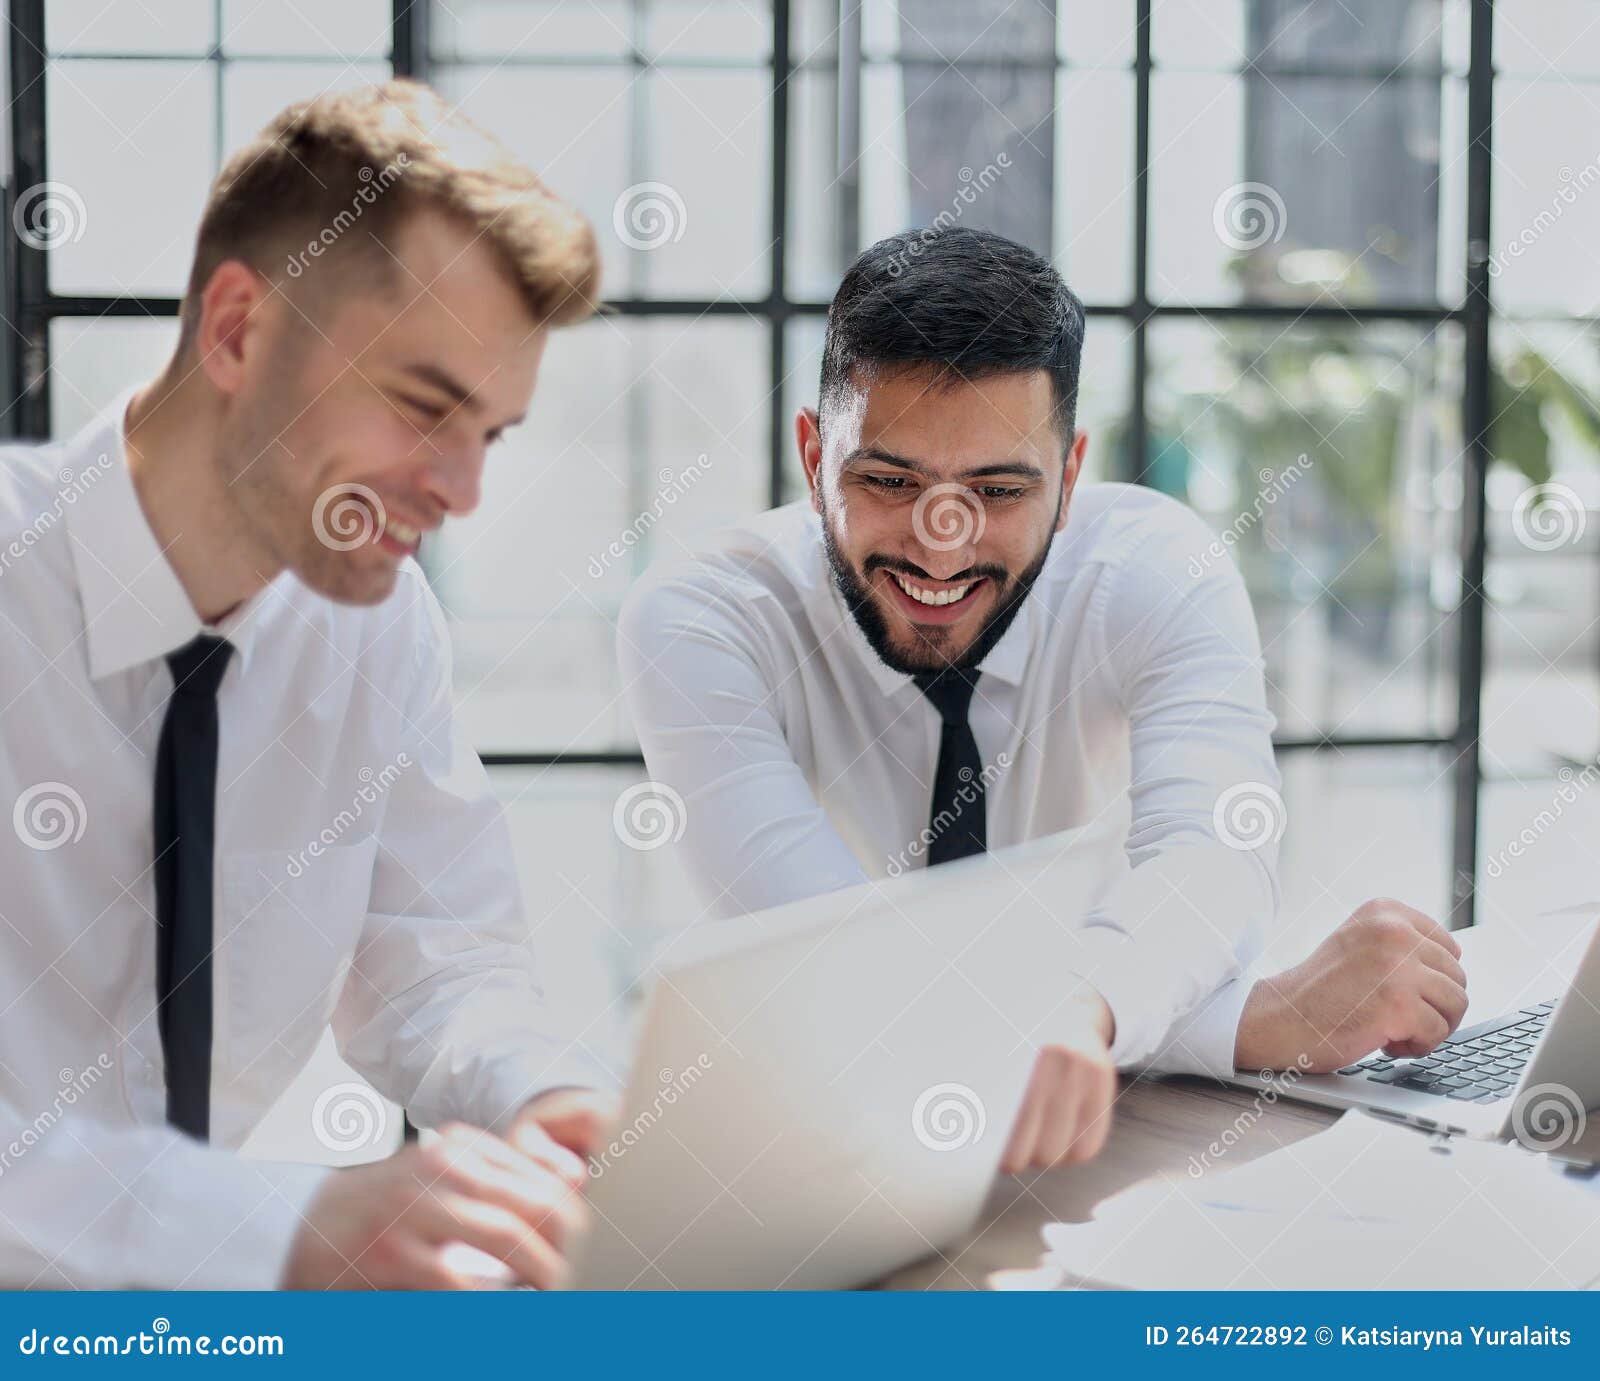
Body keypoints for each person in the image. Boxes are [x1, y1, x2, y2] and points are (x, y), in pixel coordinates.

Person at [618, 227, 1468, 1175]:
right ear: (815, 458)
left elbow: (1210, 859)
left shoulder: (1154, 570)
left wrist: (1089, 1011)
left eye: (999, 487)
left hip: (1096, 1151)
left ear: (1069, 480)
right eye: (891, 480)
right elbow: (848, 984)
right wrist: (1251, 1024)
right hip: (814, 1157)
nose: (942, 544)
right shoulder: (702, 620)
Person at [0, 80, 613, 1290]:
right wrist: (279, 1226)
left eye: (490, 433)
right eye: (424, 408)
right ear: (237, 332)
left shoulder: (372, 630)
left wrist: (546, 1095)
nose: (459, 490)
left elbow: (438, 954)